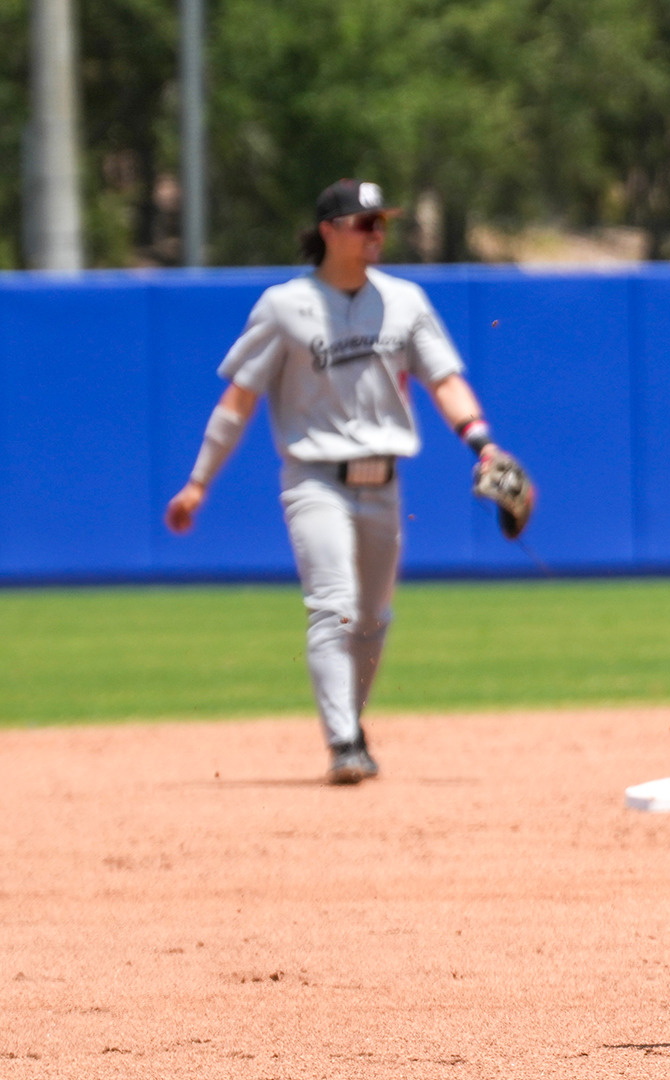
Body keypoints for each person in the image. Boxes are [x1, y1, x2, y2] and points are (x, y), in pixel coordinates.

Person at [165, 179, 530, 785]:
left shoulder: (405, 301)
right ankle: (342, 742)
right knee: (333, 607)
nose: (376, 235)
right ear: (329, 231)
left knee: (373, 619)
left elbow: (444, 379)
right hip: (314, 480)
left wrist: (482, 442)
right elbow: (238, 400)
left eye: (381, 223)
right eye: (364, 224)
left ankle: (350, 726)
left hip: (383, 483)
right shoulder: (285, 306)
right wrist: (199, 482)